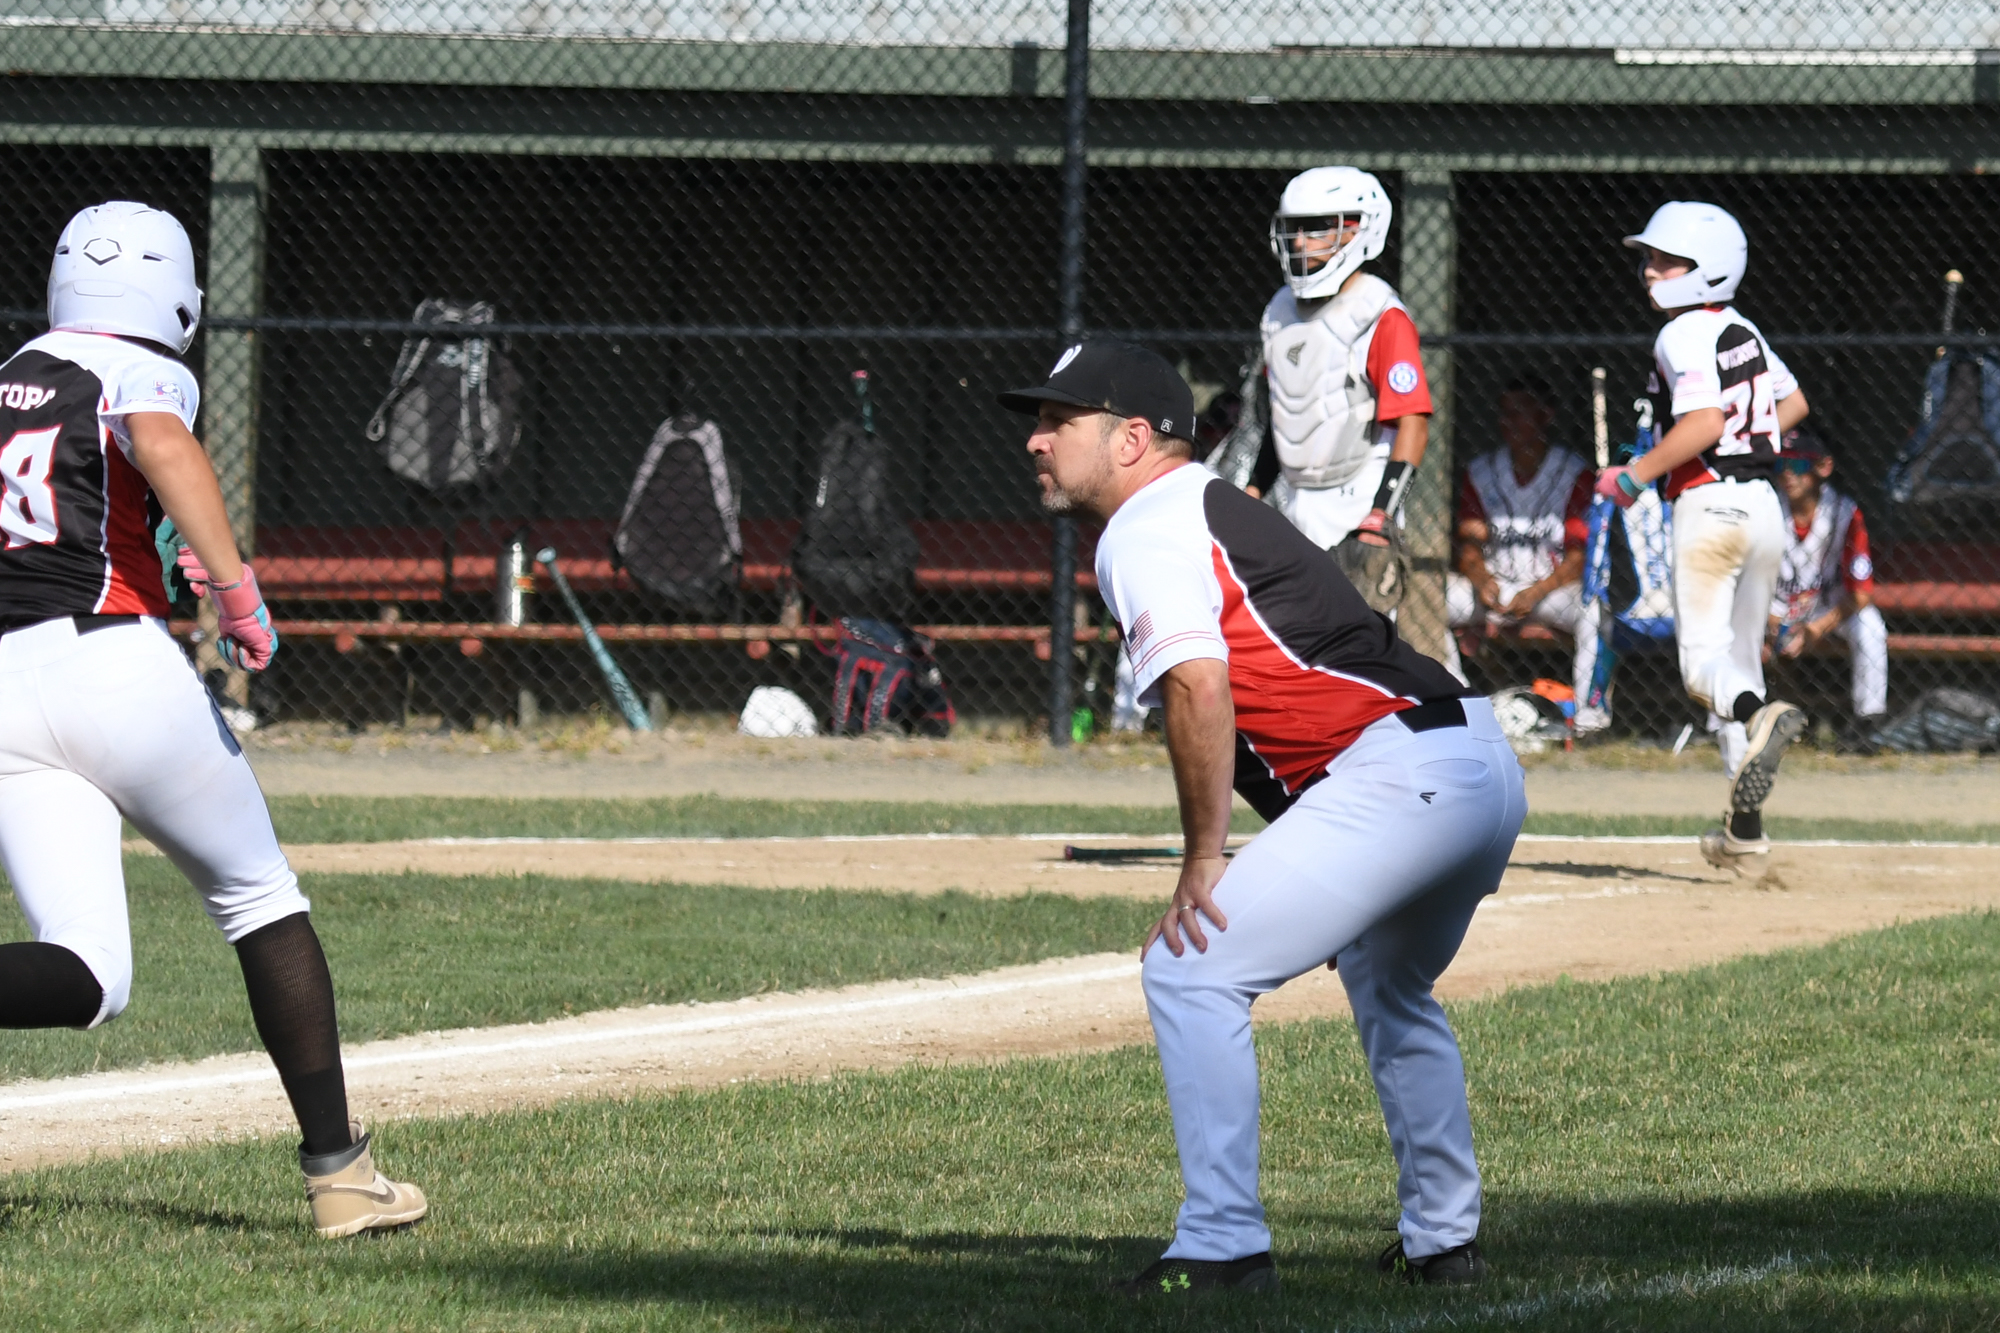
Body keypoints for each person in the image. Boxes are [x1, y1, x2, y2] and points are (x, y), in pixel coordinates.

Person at [1002, 340, 1525, 1297]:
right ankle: (1444, 1242)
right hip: (1474, 760)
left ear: (1131, 439)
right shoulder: (1204, 507)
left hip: (1399, 772)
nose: (1035, 441)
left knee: (1189, 965)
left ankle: (1221, 1247)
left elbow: (1200, 687)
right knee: (1389, 981)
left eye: (1056, 420)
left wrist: (1205, 856)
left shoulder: (1147, 523)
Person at [0, 202, 425, 1237]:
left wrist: (154, 534)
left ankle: (341, 1173)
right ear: (173, 291)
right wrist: (236, 592)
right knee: (259, 899)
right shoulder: (143, 365)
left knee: (90, 971)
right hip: (111, 662)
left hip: (5, 682)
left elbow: (74, 500)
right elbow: (156, 439)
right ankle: (339, 1173)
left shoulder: (13, 369)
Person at [1594, 202, 1810, 875]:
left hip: (1709, 504)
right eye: (1649, 258)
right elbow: (1794, 401)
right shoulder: (1738, 326)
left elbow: (1705, 423)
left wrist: (1632, 476)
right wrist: (1754, 436)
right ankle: (1744, 829)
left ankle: (1758, 715)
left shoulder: (1681, 333)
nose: (1649, 270)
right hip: (1763, 507)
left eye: (1665, 260)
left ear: (1706, 270)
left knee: (1704, 672)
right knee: (1736, 662)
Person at [1448, 376, 1608, 733]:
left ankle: (1588, 719)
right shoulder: (1482, 472)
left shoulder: (1574, 473)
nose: (1509, 422)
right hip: (1494, 590)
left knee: (1595, 612)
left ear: (1545, 415)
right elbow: (1469, 547)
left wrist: (1537, 592)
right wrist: (1481, 579)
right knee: (1430, 600)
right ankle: (1454, 704)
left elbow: (1580, 558)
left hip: (1547, 593)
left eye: (1520, 412)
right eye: (1504, 413)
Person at [1767, 430, 1887, 744]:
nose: (1788, 474)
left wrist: (1815, 629)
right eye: (1781, 466)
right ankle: (1727, 725)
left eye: (1799, 465)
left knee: (1871, 628)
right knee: (1735, 631)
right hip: (1774, 609)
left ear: (1823, 467)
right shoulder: (1765, 508)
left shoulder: (1844, 512)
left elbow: (1862, 593)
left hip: (1828, 608)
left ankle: (1868, 724)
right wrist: (1769, 623)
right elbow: (1744, 582)